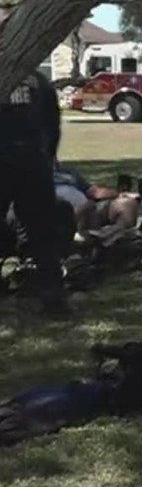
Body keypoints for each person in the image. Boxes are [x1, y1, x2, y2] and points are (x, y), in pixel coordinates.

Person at [0, 69, 69, 317]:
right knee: (43, 233)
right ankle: (54, 298)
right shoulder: (38, 81)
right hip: (33, 160)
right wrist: (46, 158)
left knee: (42, 232)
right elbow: (53, 125)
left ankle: (52, 295)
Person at [53, 162, 140, 241]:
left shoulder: (68, 173)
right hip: (63, 219)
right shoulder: (40, 177)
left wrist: (121, 194)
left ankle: (116, 238)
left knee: (128, 204)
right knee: (87, 206)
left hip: (89, 213)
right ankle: (103, 239)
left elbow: (94, 192)